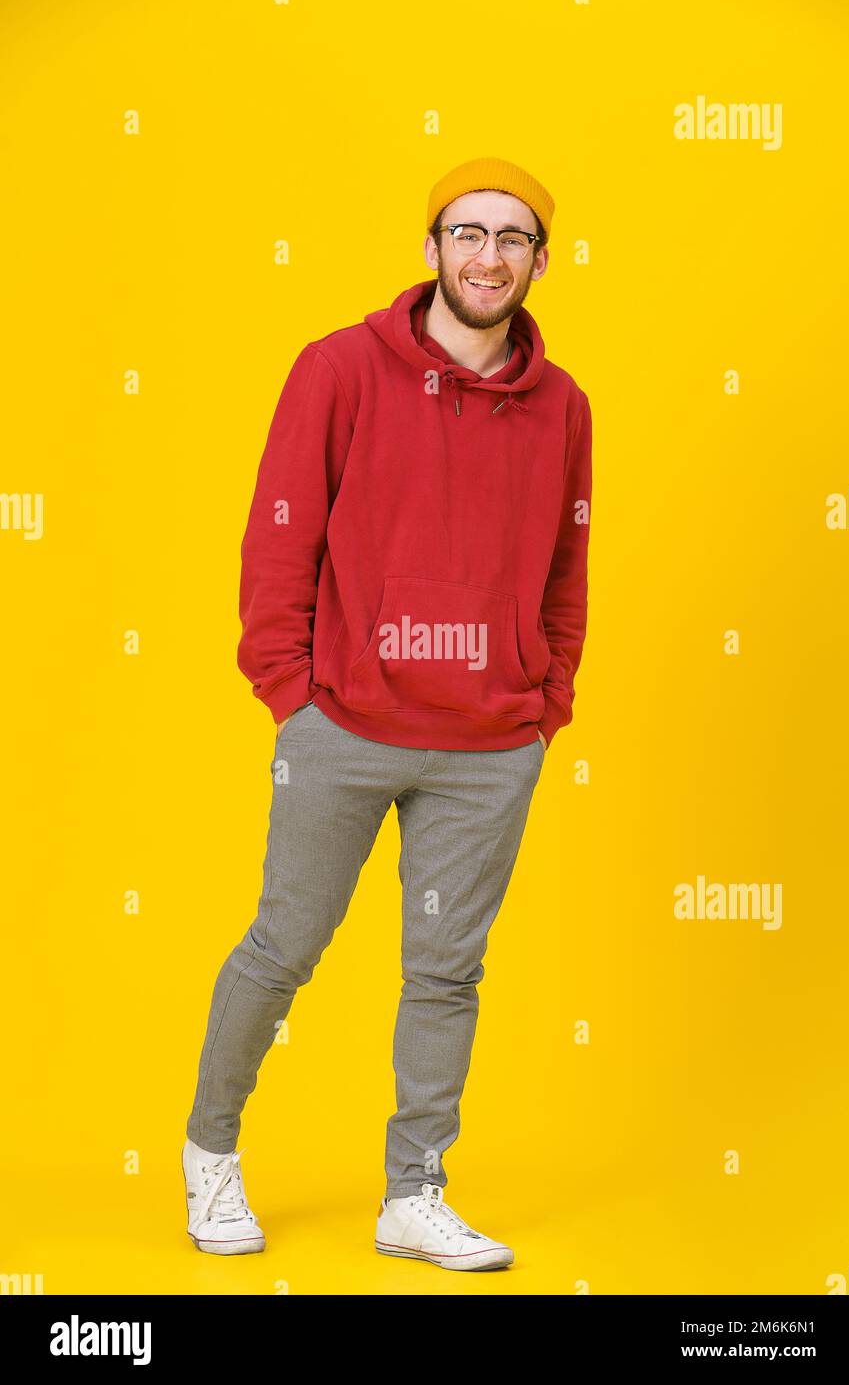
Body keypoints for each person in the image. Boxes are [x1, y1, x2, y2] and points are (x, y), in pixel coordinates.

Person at [182, 156, 593, 1271]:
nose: (487, 255)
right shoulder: (338, 369)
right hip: (345, 725)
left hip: (488, 742)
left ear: (539, 262)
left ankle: (412, 1192)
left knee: (445, 972)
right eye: (467, 232)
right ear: (430, 249)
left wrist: (543, 695)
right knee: (284, 944)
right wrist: (290, 692)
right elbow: (278, 533)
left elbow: (566, 556)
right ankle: (209, 1151)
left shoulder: (561, 405)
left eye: (512, 238)